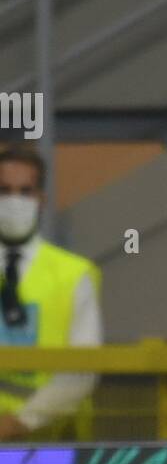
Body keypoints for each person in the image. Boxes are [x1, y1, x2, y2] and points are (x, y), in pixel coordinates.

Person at [0, 146, 102, 442]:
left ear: (41, 199)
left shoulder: (74, 274)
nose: (14, 200)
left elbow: (83, 369)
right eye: (4, 190)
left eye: (25, 191)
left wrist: (22, 421)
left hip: (55, 443)